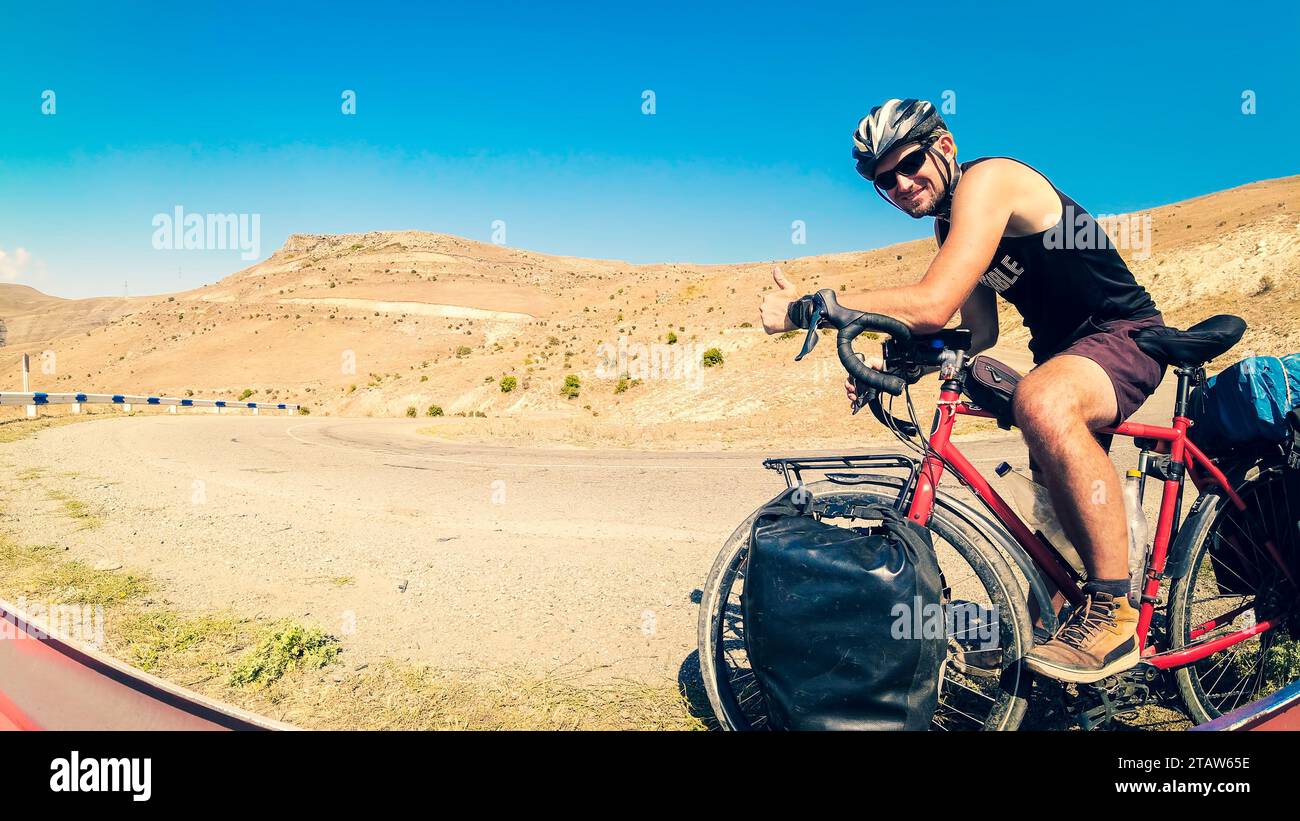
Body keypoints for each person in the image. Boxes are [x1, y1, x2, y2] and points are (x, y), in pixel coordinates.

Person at [759, 98, 1166, 684]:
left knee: (1042, 401)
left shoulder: (990, 181)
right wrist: (895, 360)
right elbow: (977, 330)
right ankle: (1059, 626)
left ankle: (1114, 615)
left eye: (910, 163)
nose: (901, 183)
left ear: (944, 147)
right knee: (1053, 506)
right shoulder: (950, 222)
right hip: (1064, 357)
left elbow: (934, 300)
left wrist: (811, 308)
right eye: (884, 181)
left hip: (1124, 336)